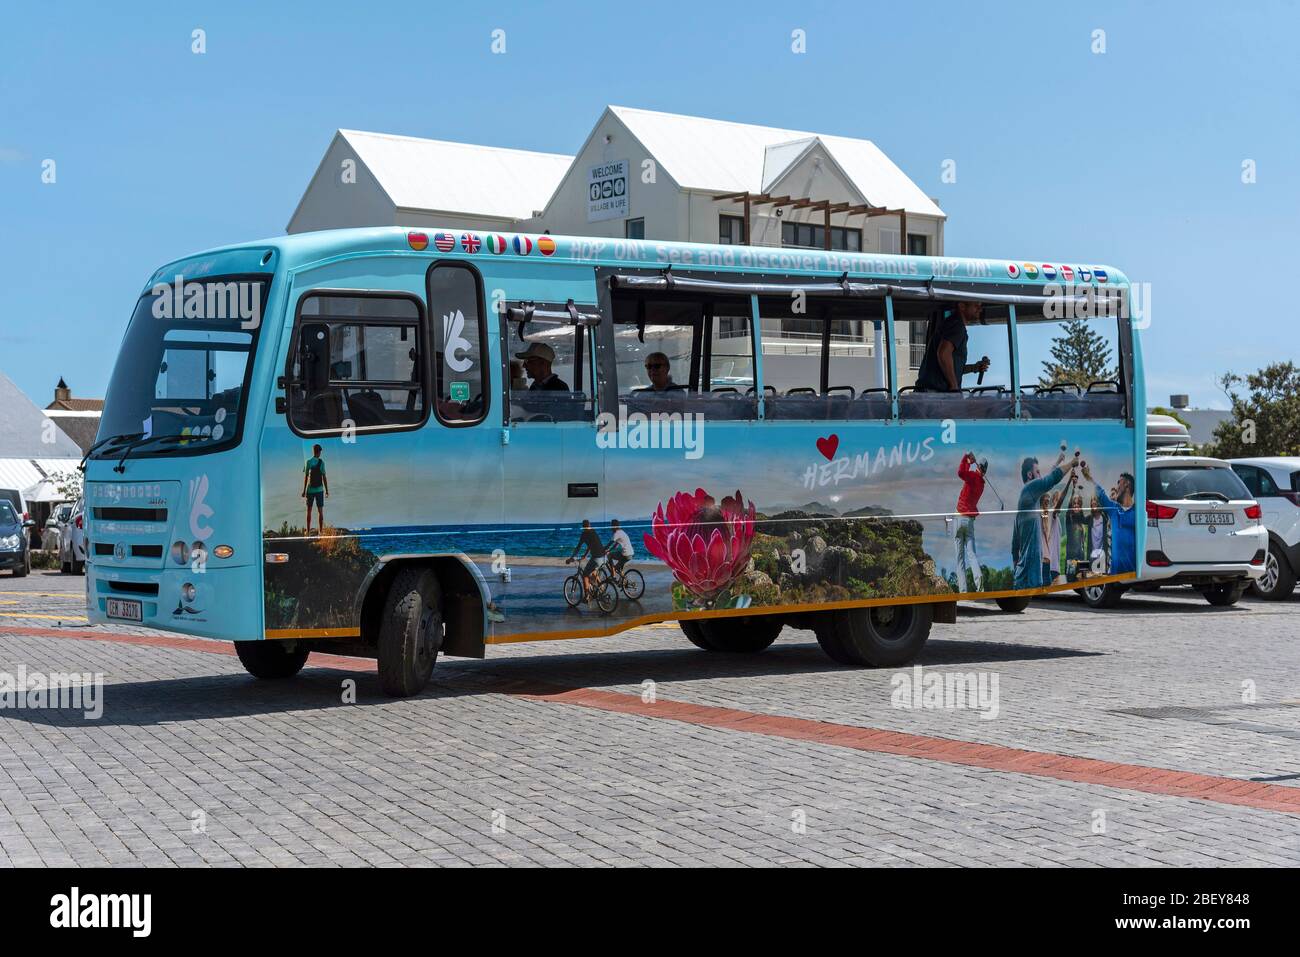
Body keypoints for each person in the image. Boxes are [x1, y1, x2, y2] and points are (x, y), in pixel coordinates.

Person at [1012, 447, 1078, 588]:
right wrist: (1072, 463)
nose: (1040, 475)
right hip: (1027, 581)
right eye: (1037, 472)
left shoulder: (1028, 502)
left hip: (1026, 578)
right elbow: (1050, 480)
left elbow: (1014, 547)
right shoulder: (1029, 489)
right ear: (1030, 475)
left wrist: (1058, 461)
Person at [914, 302, 992, 392]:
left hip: (930, 393)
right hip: (936, 394)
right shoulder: (957, 325)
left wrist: (974, 367)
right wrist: (954, 386)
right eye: (976, 306)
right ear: (962, 306)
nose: (980, 309)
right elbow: (943, 353)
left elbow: (950, 367)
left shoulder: (951, 323)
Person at [1084, 465, 1136, 574]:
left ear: (1127, 484)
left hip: (1134, 573)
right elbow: (1101, 495)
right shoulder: (1114, 509)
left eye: (1119, 482)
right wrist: (1089, 478)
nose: (1117, 487)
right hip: (1115, 574)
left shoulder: (1138, 512)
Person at [953, 451, 987, 593]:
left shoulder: (973, 477)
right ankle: (980, 588)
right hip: (970, 522)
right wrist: (972, 462)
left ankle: (963, 591)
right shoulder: (982, 484)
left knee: (960, 558)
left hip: (959, 518)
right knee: (972, 554)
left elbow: (961, 472)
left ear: (978, 466)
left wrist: (967, 460)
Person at [568, 518, 607, 598]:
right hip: (604, 557)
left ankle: (587, 597)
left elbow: (578, 547)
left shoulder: (584, 534)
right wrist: (585, 556)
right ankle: (601, 588)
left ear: (583, 527)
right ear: (590, 525)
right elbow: (590, 545)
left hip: (597, 558)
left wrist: (571, 558)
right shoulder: (593, 531)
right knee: (593, 571)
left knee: (585, 575)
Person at [302, 444, 329, 534]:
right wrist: (327, 490)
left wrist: (304, 490)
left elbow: (306, 477)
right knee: (320, 511)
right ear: (319, 451)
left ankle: (308, 532)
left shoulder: (308, 462)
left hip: (310, 489)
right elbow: (324, 477)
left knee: (309, 511)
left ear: (313, 451)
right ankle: (320, 532)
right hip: (320, 490)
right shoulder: (322, 463)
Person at [1064, 492, 1090, 581]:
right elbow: (1068, 509)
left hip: (1081, 556)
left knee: (1081, 581)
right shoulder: (1069, 517)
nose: (1076, 505)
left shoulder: (1081, 520)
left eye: (1078, 504)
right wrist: (1073, 487)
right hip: (1071, 557)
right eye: (1074, 503)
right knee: (1071, 580)